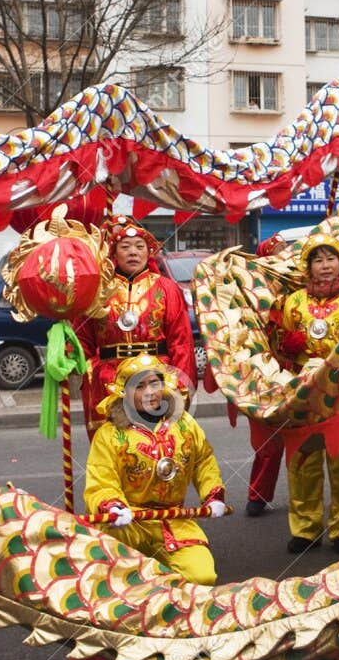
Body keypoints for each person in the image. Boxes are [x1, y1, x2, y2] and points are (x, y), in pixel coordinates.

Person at [84, 355, 226, 584]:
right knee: (116, 579)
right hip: (127, 523)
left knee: (202, 577)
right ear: (125, 393)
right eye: (140, 386)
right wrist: (114, 507)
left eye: (154, 383)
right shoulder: (108, 435)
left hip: (174, 519)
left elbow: (203, 462)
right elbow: (101, 481)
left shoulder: (185, 424)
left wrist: (213, 495)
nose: (150, 392)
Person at [272, 232, 339, 553]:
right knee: (303, 460)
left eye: (330, 259)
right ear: (308, 266)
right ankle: (305, 528)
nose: (325, 266)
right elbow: (281, 341)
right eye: (318, 259)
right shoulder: (295, 300)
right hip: (303, 390)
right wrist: (287, 345)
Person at [74, 215, 193, 436]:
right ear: (113, 253)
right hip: (108, 379)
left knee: (158, 445)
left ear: (149, 253)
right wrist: (80, 362)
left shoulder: (167, 289)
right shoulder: (97, 290)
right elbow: (82, 337)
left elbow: (181, 342)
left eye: (140, 246)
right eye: (125, 246)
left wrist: (178, 382)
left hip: (156, 379)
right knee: (112, 446)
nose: (133, 252)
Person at [244, 234, 289, 516]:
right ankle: (258, 493)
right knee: (267, 441)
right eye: (275, 255)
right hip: (263, 373)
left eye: (286, 254)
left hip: (298, 370)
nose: (281, 260)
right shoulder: (250, 293)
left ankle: (306, 503)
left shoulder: (300, 289)